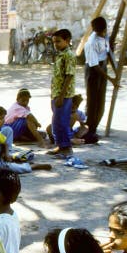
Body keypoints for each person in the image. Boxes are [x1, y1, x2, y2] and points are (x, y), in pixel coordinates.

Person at [83, 17, 119, 144]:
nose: (101, 33)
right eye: (98, 32)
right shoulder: (91, 42)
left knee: (101, 102)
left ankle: (94, 127)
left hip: (102, 67)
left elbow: (108, 52)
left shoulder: (105, 36)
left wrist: (115, 73)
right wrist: (111, 79)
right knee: (92, 102)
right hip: (94, 70)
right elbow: (94, 65)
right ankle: (89, 130)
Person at [48, 29, 76, 158]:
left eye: (58, 41)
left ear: (67, 41)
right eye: (54, 42)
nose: (56, 44)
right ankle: (60, 145)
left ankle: (66, 147)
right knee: (56, 121)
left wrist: (61, 96)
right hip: (56, 93)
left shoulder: (68, 55)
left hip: (63, 95)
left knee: (62, 121)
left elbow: (69, 76)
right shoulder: (59, 55)